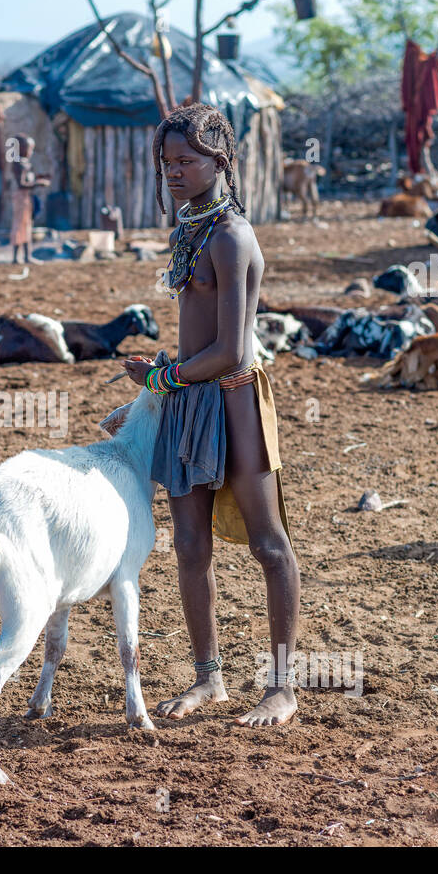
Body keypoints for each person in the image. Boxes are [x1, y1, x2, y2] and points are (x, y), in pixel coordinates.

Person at [121, 104, 300, 727]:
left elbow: (231, 349)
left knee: (268, 545)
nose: (174, 173)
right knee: (190, 544)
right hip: (192, 398)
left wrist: (162, 377)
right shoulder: (191, 227)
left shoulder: (230, 238)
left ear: (219, 160)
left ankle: (282, 687)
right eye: (166, 163)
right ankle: (209, 679)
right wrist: (165, 380)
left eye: (187, 161)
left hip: (235, 397)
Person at [9, 134, 50, 265]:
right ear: (20, 148)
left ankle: (27, 256)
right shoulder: (17, 164)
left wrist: (39, 179)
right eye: (28, 148)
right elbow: (21, 184)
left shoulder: (25, 163)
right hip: (21, 197)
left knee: (27, 225)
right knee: (19, 224)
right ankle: (16, 257)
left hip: (27, 197)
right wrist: (38, 184)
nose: (30, 151)